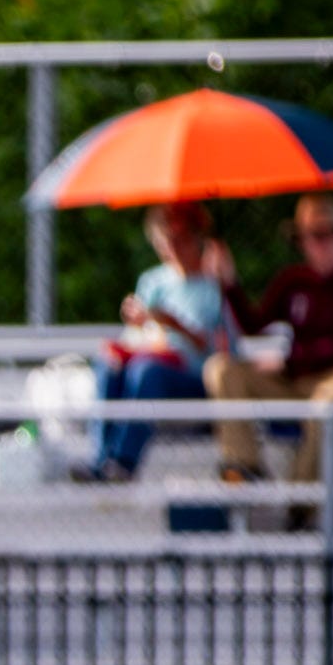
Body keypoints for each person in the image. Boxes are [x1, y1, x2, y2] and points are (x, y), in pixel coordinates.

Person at [203, 193, 333, 489]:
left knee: (327, 406)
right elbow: (253, 325)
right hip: (297, 381)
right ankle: (243, 467)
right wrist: (228, 283)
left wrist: (289, 361)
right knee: (221, 370)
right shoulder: (292, 281)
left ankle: (301, 503)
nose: (324, 243)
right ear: (301, 241)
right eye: (314, 235)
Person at [73, 204, 227, 484]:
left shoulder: (213, 286)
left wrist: (172, 323)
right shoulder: (153, 281)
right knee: (110, 364)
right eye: (165, 241)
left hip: (192, 379)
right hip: (150, 369)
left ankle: (123, 462)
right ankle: (99, 459)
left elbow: (209, 348)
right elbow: (137, 339)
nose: (173, 248)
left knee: (147, 371)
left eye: (180, 239)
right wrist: (131, 338)